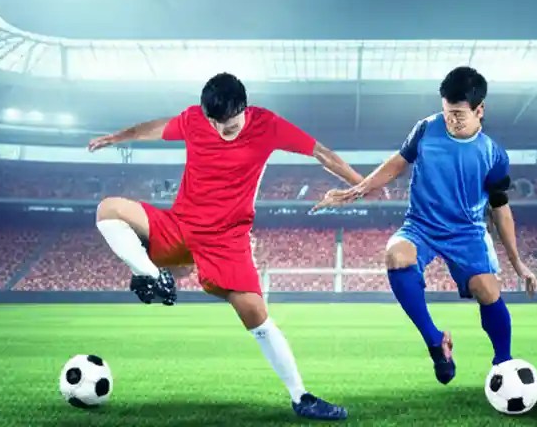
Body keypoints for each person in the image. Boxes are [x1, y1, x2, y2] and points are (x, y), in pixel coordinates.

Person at [90, 72, 361, 421]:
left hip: (228, 239)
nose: (222, 131)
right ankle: (152, 275)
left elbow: (321, 152)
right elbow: (157, 127)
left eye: (230, 125)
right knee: (107, 210)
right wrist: (117, 137)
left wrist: (360, 185)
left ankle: (301, 397)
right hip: (181, 226)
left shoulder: (268, 125)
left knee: (255, 315)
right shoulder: (194, 119)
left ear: (244, 109)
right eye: (215, 124)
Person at [312, 66, 537, 384]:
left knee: (487, 290)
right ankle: (436, 341)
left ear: (480, 110)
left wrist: (518, 263)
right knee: (395, 255)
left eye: (458, 114)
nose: (450, 120)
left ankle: (503, 361)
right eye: (447, 112)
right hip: (421, 225)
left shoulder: (493, 155)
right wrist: (357, 189)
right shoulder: (426, 129)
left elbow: (500, 209)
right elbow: (397, 163)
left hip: (467, 231)